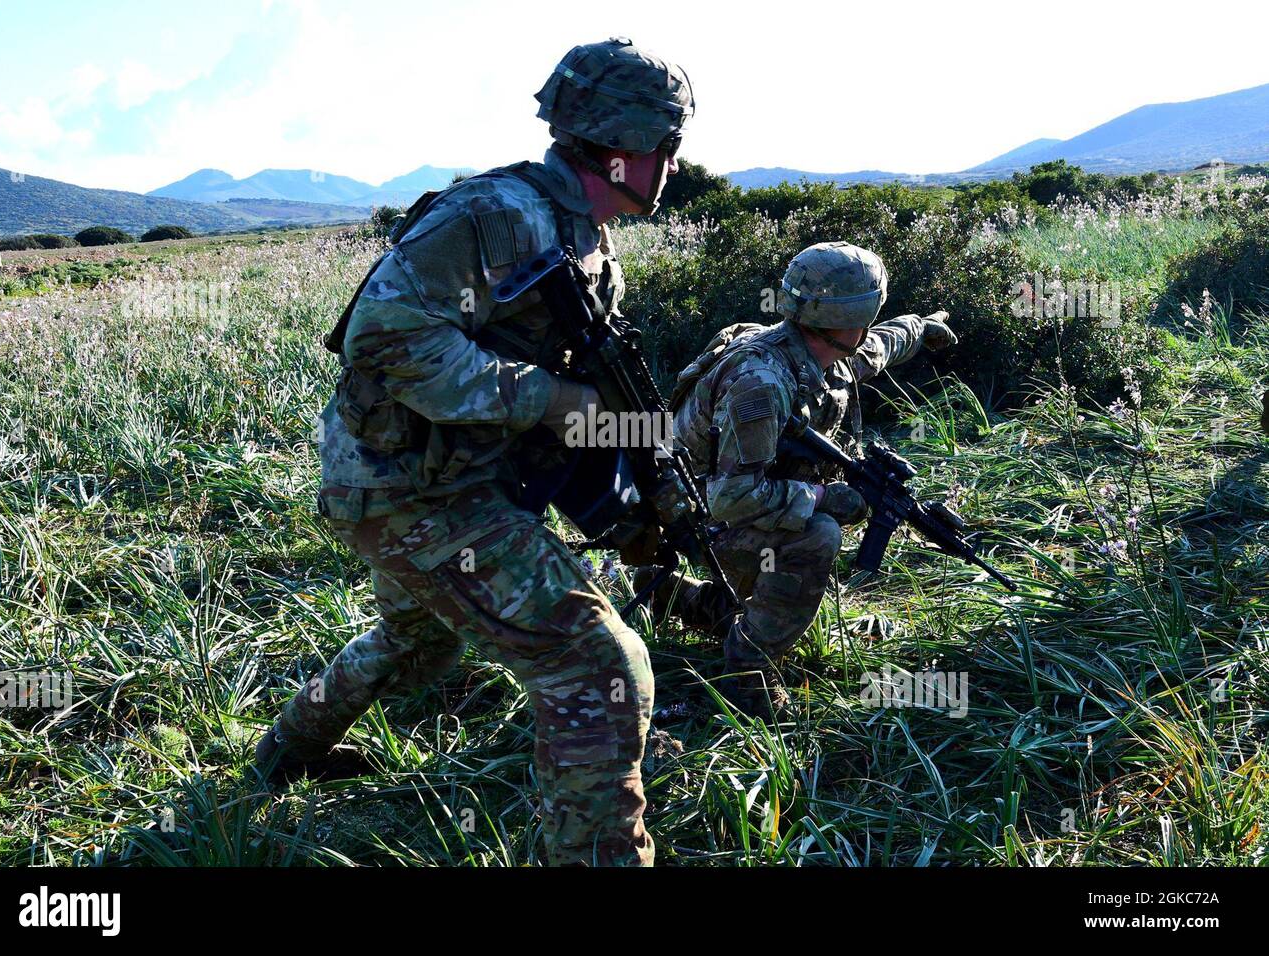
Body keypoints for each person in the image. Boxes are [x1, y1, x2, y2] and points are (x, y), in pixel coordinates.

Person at [254, 37, 694, 867]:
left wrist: (633, 491)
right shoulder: (495, 216)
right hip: (408, 489)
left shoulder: (584, 238)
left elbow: (571, 413)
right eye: (668, 147)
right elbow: (384, 342)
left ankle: (285, 754)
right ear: (622, 147)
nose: (674, 165)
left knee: (413, 642)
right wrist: (556, 400)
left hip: (451, 480)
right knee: (592, 657)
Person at [645, 241, 957, 716]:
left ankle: (679, 600)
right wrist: (822, 495)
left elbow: (883, 344)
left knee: (801, 543)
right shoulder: (761, 384)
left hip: (719, 510)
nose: (870, 327)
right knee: (816, 537)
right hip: (693, 520)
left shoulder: (822, 346)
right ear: (854, 316)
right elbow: (730, 497)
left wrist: (922, 327)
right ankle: (745, 677)